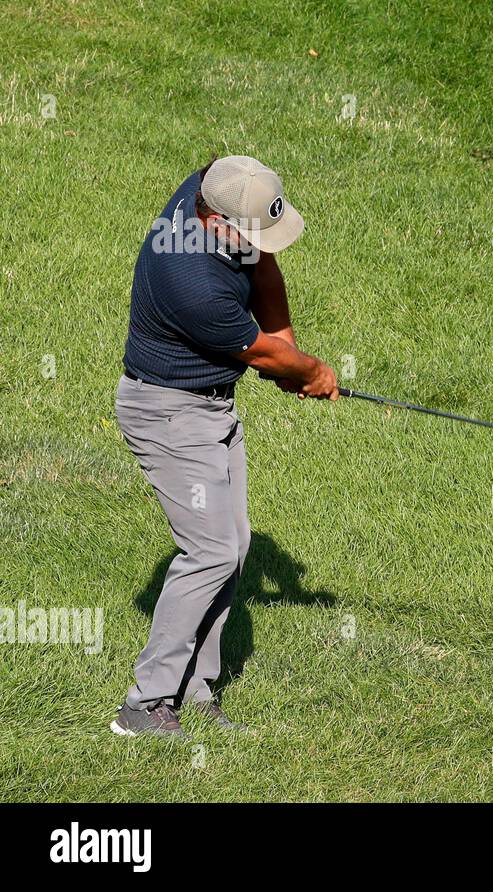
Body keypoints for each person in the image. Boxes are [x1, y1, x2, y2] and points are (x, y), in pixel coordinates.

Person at [112, 155, 338, 737]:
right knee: (210, 552)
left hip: (211, 405)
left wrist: (288, 349)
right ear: (216, 225)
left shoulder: (215, 185)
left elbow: (263, 269)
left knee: (233, 548)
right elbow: (261, 355)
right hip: (169, 413)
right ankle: (144, 704)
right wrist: (306, 370)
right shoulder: (191, 283)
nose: (263, 245)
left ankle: (194, 685)